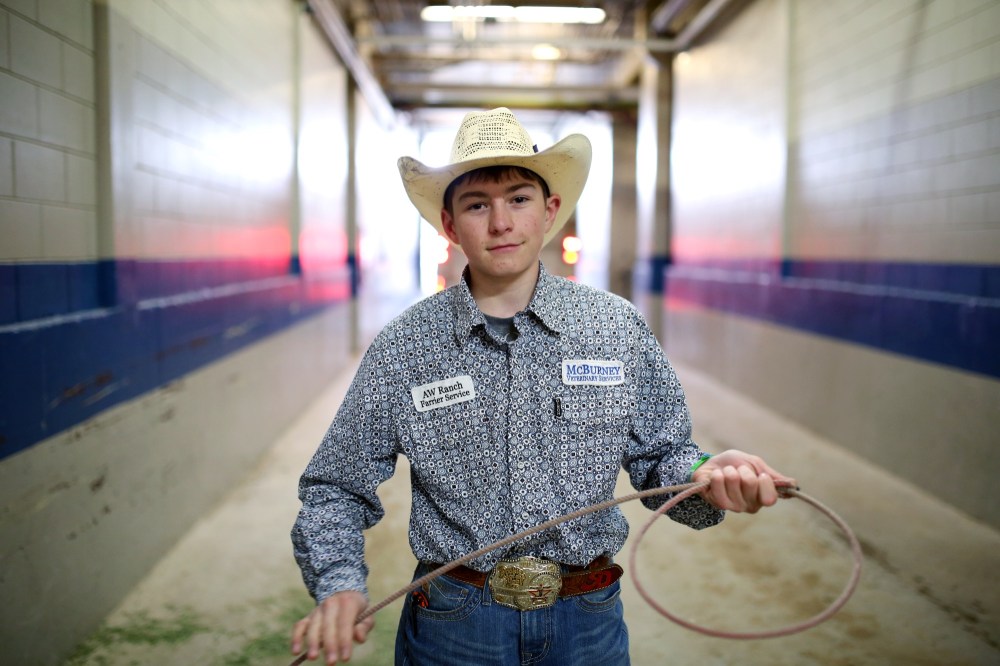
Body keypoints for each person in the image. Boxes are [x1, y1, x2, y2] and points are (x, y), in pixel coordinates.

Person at [290, 107, 795, 665]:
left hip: (587, 622)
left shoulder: (613, 328)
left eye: (519, 199)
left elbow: (661, 458)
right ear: (450, 226)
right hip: (457, 625)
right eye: (477, 204)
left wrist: (704, 474)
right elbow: (336, 485)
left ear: (550, 211)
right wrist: (338, 584)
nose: (501, 223)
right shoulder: (407, 346)